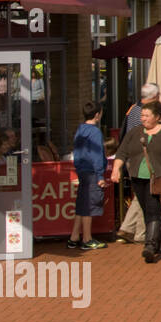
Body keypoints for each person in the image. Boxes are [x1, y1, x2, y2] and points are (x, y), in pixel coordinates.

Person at [110, 100, 161, 264]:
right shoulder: (135, 132)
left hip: (159, 178)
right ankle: (157, 240)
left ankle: (150, 246)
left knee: (153, 209)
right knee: (146, 210)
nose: (143, 118)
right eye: (142, 115)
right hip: (137, 178)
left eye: (147, 116)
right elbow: (121, 152)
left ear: (157, 117)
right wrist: (116, 169)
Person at [67, 101, 107, 251]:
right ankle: (87, 238)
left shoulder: (80, 129)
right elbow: (96, 154)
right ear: (97, 115)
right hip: (91, 172)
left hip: (82, 170)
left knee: (82, 203)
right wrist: (100, 175)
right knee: (89, 205)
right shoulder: (95, 132)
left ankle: (74, 237)